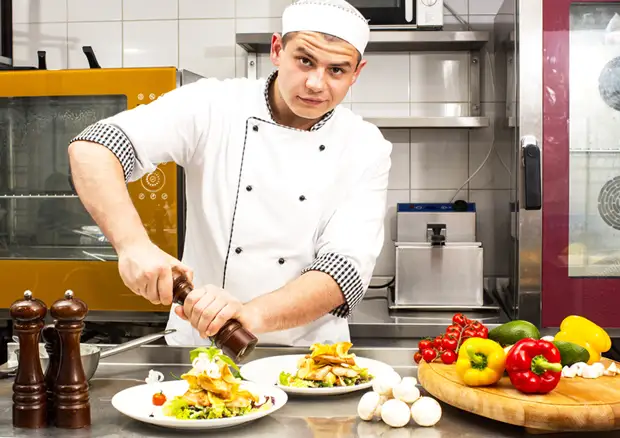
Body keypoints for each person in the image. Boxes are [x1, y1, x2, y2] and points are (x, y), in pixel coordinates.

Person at [67, 0, 392, 347]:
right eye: (305, 60)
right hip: (201, 348)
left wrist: (249, 315)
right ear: (277, 50)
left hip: (307, 360)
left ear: (356, 73)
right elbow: (93, 147)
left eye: (337, 70)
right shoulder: (213, 105)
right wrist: (133, 245)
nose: (315, 83)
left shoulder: (365, 146)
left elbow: (343, 268)